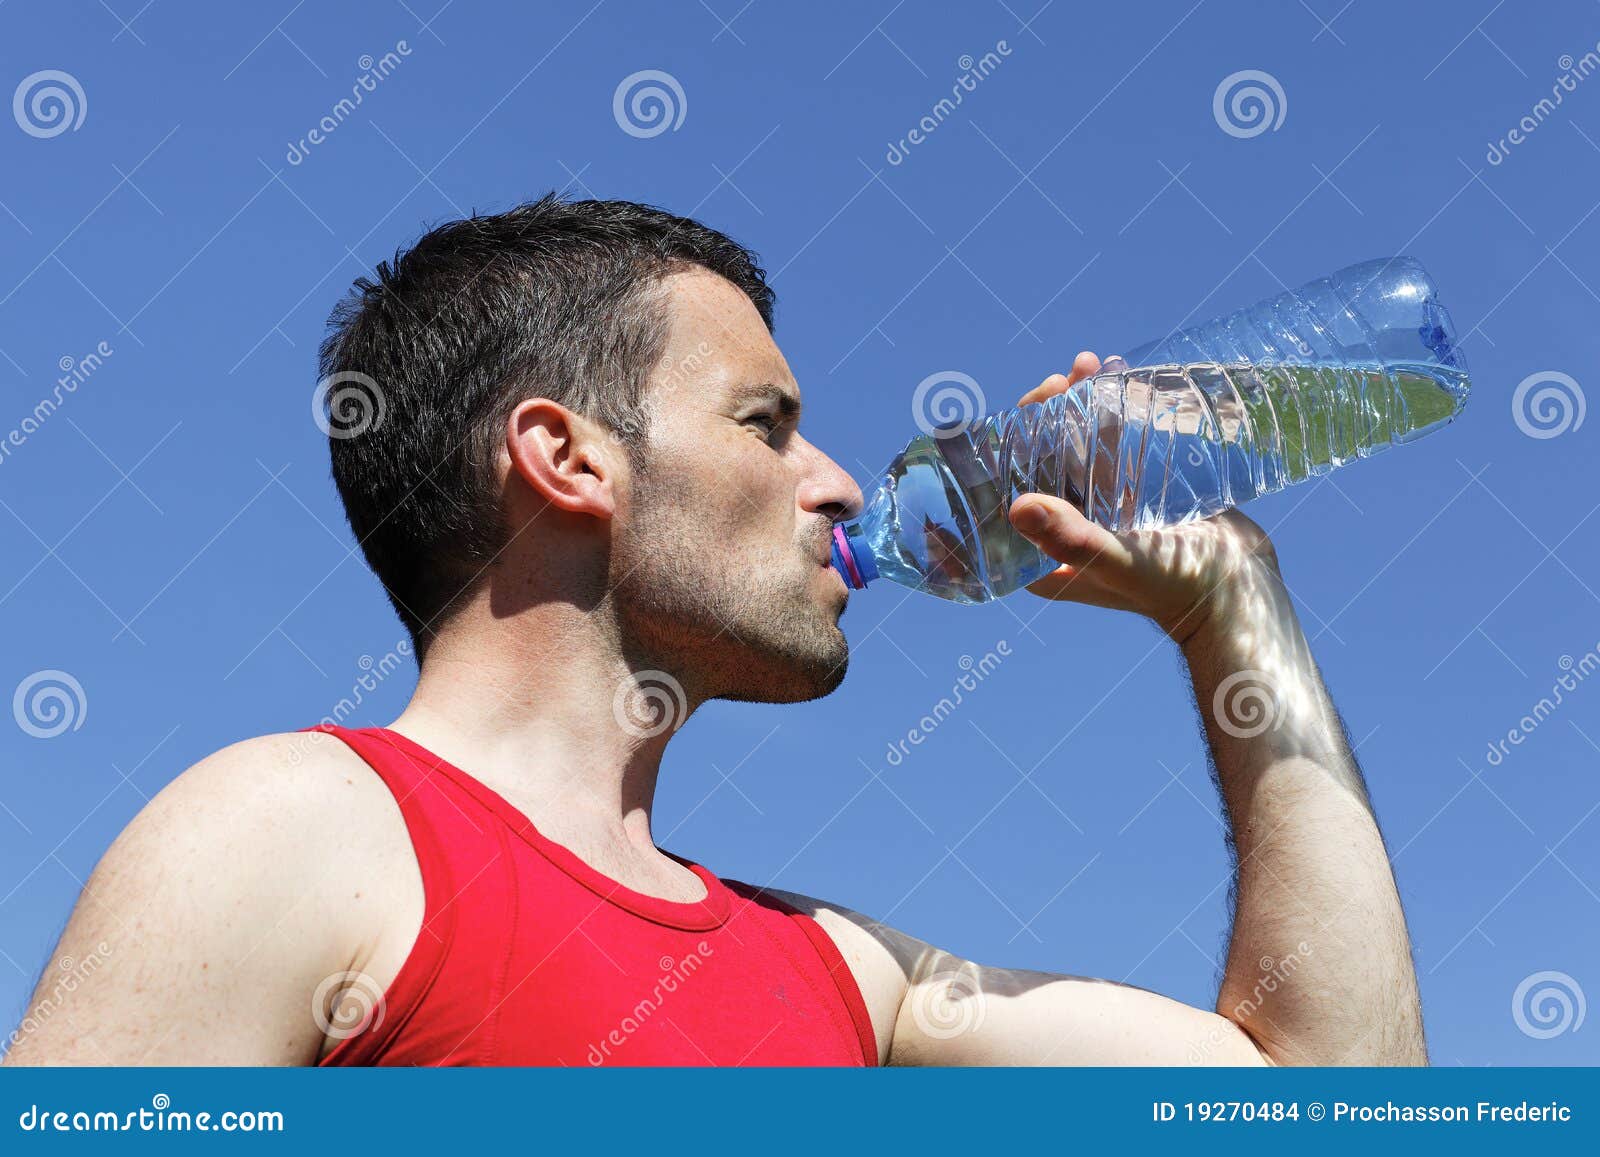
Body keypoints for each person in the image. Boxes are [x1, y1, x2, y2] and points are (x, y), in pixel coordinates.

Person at [2, 195, 1425, 1066]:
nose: (843, 482)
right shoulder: (289, 828)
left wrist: (1238, 609)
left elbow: (1332, 1094)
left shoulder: (845, 976)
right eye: (767, 423)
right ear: (568, 457)